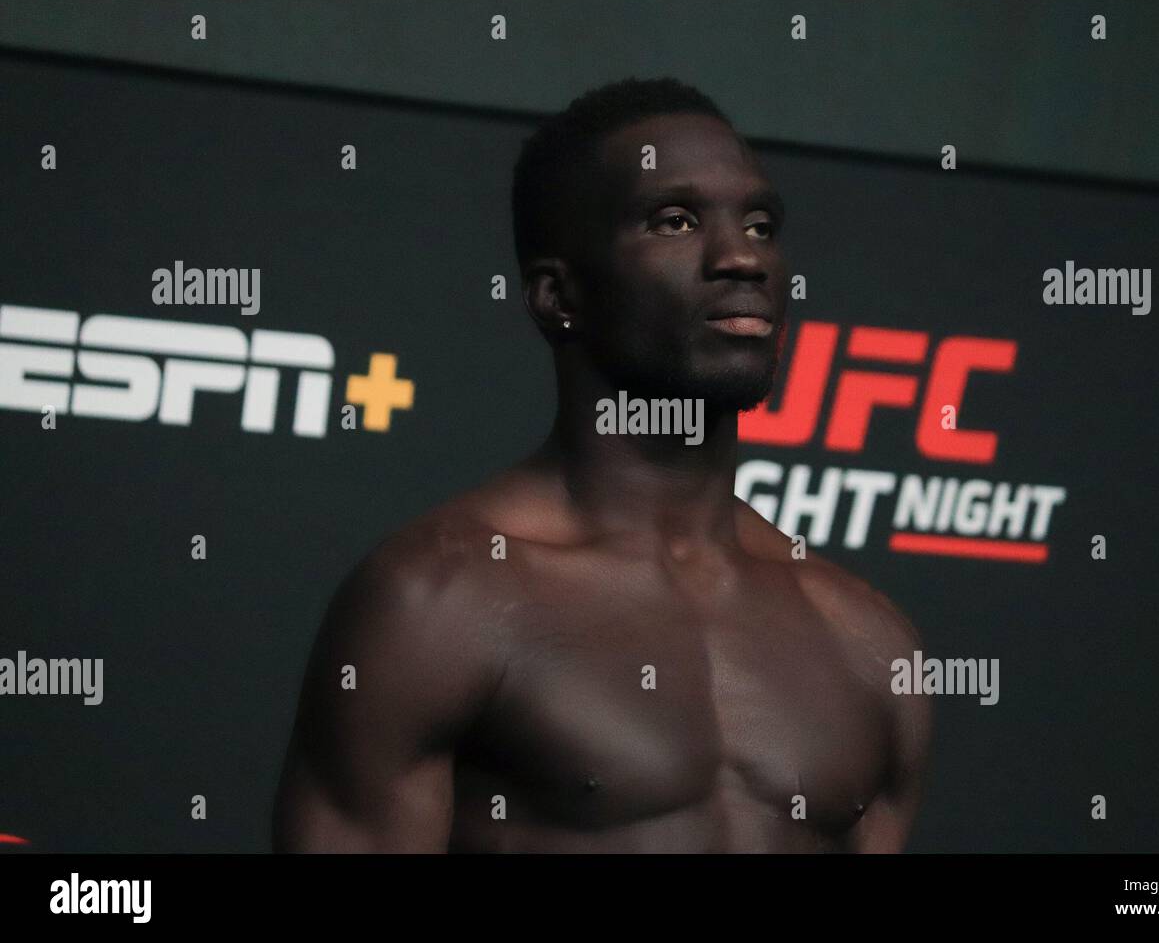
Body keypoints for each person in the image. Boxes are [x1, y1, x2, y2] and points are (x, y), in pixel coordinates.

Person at [272, 77, 931, 852]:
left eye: (760, 223)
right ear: (559, 295)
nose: (741, 257)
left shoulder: (869, 644)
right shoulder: (440, 599)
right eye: (676, 220)